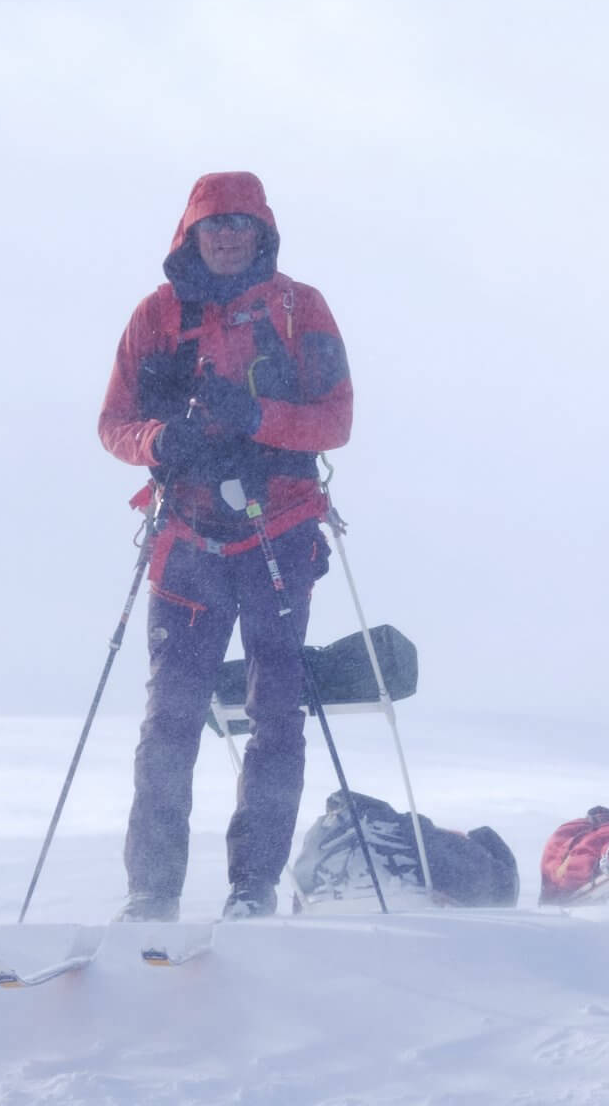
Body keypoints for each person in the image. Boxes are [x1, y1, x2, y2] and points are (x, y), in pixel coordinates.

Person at [98, 172, 353, 921]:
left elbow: (335, 419)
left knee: (276, 711)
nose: (228, 235)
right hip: (186, 541)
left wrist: (256, 418)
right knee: (170, 718)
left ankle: (254, 886)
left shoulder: (301, 309)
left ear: (263, 229)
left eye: (241, 223)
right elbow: (114, 422)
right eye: (215, 224)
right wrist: (159, 438)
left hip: (280, 533)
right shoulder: (155, 316)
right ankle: (151, 892)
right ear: (191, 232)